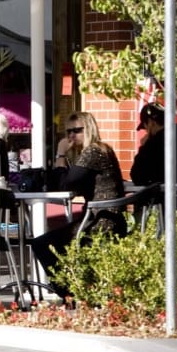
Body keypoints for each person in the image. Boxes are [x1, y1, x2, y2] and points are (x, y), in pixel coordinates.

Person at [33, 111, 126, 300]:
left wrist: (60, 154)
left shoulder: (93, 151)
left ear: (89, 129)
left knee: (42, 244)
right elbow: (66, 183)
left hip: (102, 223)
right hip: (100, 218)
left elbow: (66, 184)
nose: (71, 136)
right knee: (48, 242)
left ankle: (71, 294)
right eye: (68, 132)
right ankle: (74, 292)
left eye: (76, 130)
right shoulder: (99, 150)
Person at [130, 103, 177, 185]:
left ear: (151, 122)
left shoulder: (153, 144)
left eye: (145, 127)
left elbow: (137, 176)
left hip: (166, 195)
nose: (146, 131)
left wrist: (143, 147)